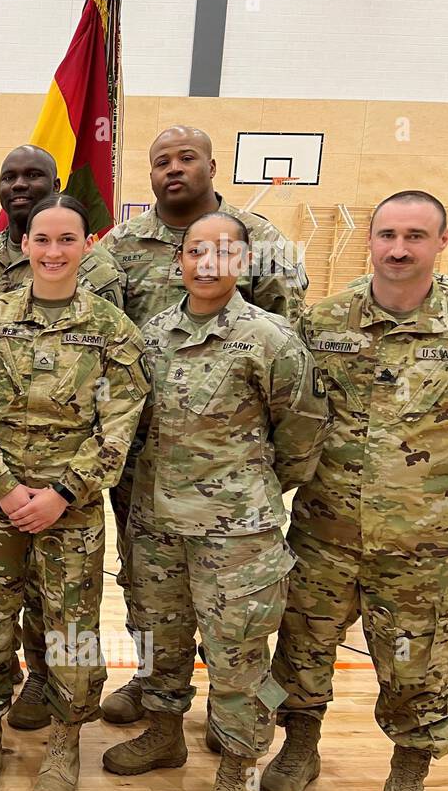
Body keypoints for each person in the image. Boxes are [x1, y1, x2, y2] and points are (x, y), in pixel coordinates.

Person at [101, 212, 328, 791]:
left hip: (238, 535)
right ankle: (165, 732)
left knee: (238, 660)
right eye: (196, 251)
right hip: (155, 527)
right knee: (157, 640)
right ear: (180, 260)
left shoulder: (271, 340)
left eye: (223, 252)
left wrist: (250, 487)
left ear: (244, 262)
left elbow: (301, 432)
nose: (207, 263)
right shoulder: (151, 336)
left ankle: (237, 774)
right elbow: (133, 426)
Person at [88, 125, 309, 725]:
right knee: (150, 583)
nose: (174, 169)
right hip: (143, 458)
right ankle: (155, 680)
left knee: (232, 606)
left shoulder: (258, 240)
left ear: (213, 165)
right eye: (162, 161)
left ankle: (233, 714)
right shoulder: (122, 244)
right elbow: (103, 335)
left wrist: (250, 467)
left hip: (230, 467)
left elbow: (291, 376)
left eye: (188, 158)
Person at [263, 191, 448, 791]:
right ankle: (301, 746)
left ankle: (407, 772)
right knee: (304, 648)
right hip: (325, 533)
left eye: (416, 236)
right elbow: (294, 416)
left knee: (413, 663)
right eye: (388, 234)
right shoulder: (327, 321)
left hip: (421, 546)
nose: (399, 248)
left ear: (442, 241)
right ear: (370, 240)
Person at [0, 194, 148, 791]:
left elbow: (120, 425)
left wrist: (63, 493)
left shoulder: (112, 330)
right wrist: (7, 489)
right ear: (25, 245)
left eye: (67, 240)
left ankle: (66, 739)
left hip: (74, 514)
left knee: (72, 631)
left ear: (88, 246)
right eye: (43, 240)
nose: (54, 251)